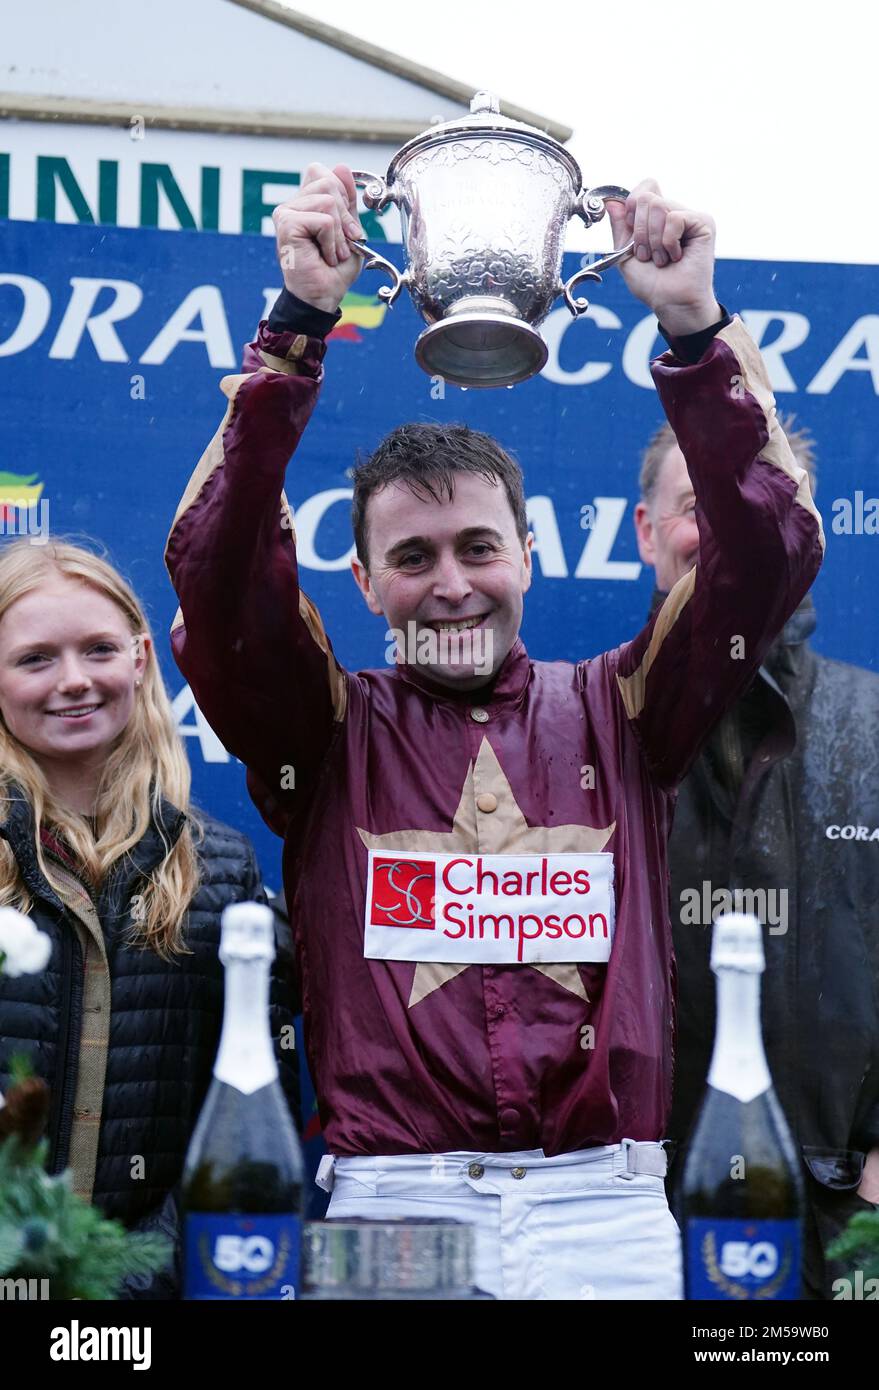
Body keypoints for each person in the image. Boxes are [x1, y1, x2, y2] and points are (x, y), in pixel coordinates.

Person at [164, 162, 823, 1300]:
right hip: (391, 1203)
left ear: (529, 555)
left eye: (478, 548)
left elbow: (768, 551)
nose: (453, 584)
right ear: (364, 582)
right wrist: (299, 323)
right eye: (412, 559)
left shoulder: (626, 706)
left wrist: (692, 327)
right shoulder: (323, 729)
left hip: (606, 1212)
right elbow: (215, 576)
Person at [0, 539, 299, 1299]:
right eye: (35, 659)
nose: (73, 681)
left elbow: (249, 1134)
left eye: (98, 649)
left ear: (139, 659)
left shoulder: (221, 871)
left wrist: (114, 1283)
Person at [634, 419, 879, 1299]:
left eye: (760, 504)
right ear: (645, 532)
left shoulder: (874, 726)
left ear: (803, 533)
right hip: (627, 1222)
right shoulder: (590, 727)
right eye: (700, 505)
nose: (731, 528)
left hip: (845, 1217)